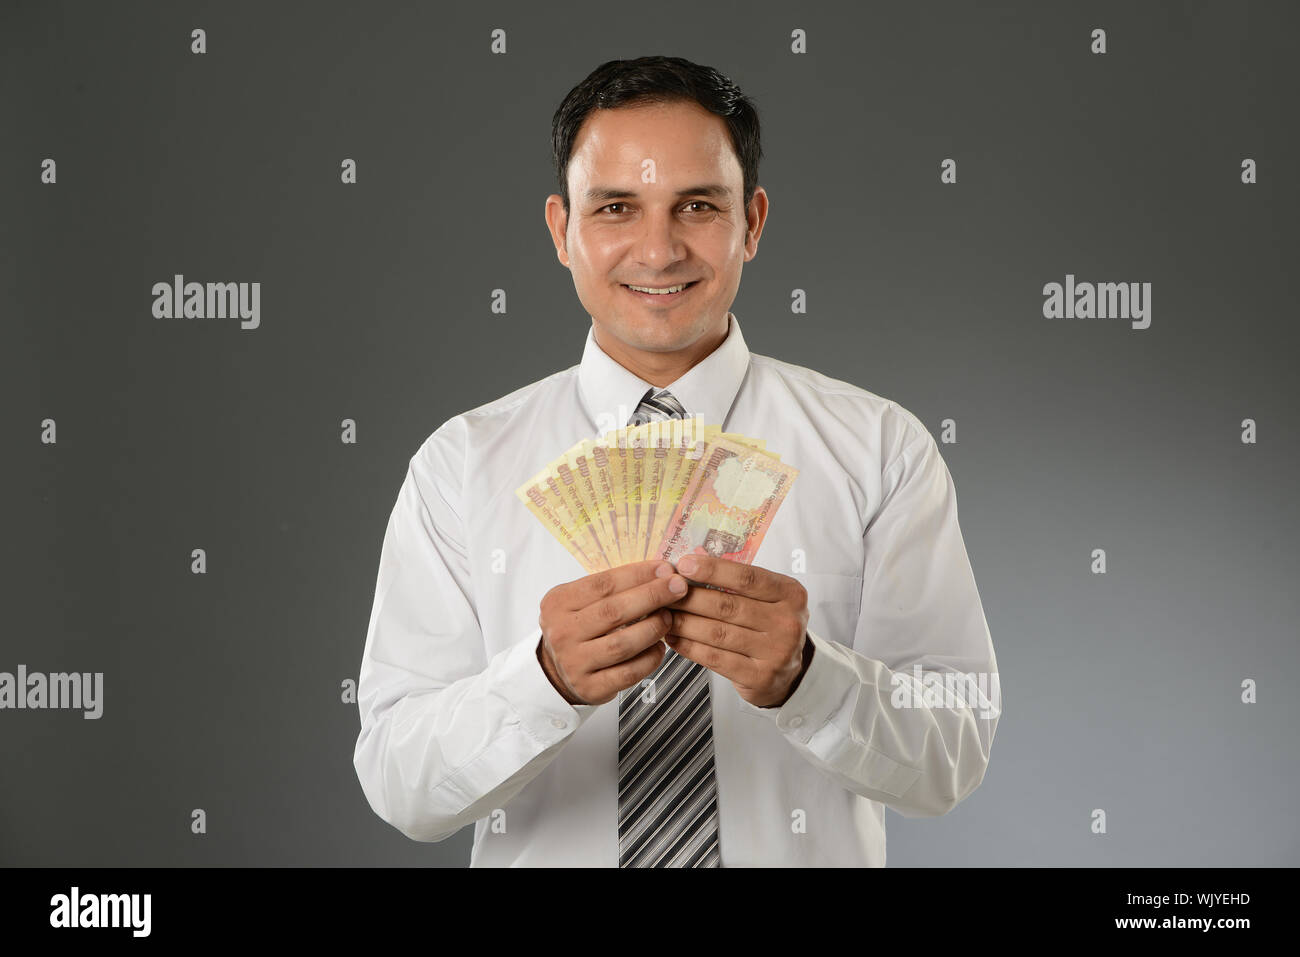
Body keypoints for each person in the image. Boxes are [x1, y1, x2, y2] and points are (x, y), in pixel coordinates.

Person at [352, 55, 1000, 867]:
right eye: (616, 207)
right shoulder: (460, 465)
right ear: (561, 230)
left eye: (697, 205)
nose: (657, 251)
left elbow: (955, 751)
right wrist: (542, 681)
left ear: (752, 222)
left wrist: (811, 680)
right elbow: (399, 785)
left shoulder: (879, 449)